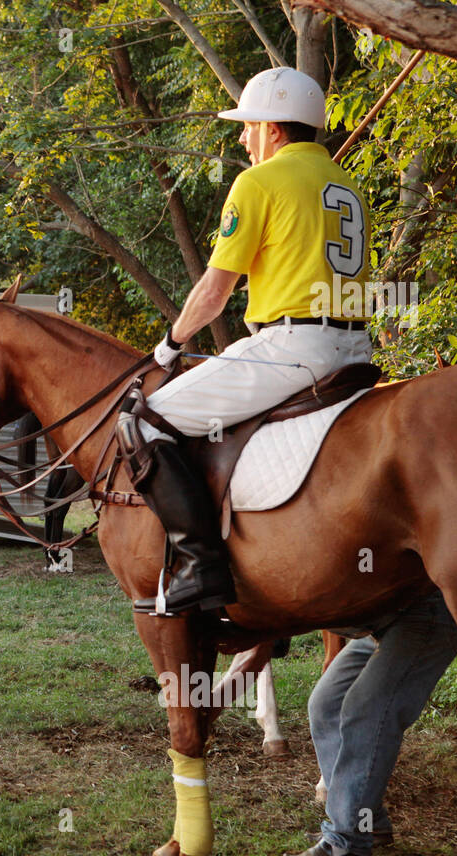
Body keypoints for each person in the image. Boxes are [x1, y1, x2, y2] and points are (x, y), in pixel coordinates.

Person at [117, 67, 375, 616]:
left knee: (140, 421)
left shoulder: (258, 183)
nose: (241, 136)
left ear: (276, 131)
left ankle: (198, 564)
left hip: (292, 349)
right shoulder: (345, 185)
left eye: (248, 125)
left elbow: (213, 293)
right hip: (356, 350)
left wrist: (168, 346)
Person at [284, 590, 457, 856]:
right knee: (326, 703)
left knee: (365, 710)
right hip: (382, 617)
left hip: (426, 607)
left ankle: (347, 841)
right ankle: (369, 822)